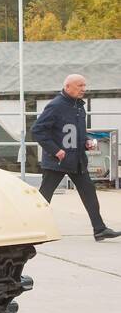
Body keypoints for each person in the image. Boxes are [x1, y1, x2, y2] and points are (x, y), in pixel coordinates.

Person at [31, 74, 118, 241]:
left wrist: (86, 141)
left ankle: (99, 229)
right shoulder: (55, 105)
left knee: (89, 193)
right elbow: (37, 130)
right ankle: (33, 228)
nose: (83, 89)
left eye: (84, 85)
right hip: (58, 161)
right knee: (45, 195)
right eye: (80, 86)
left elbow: (77, 131)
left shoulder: (79, 106)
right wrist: (55, 150)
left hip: (77, 160)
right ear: (68, 87)